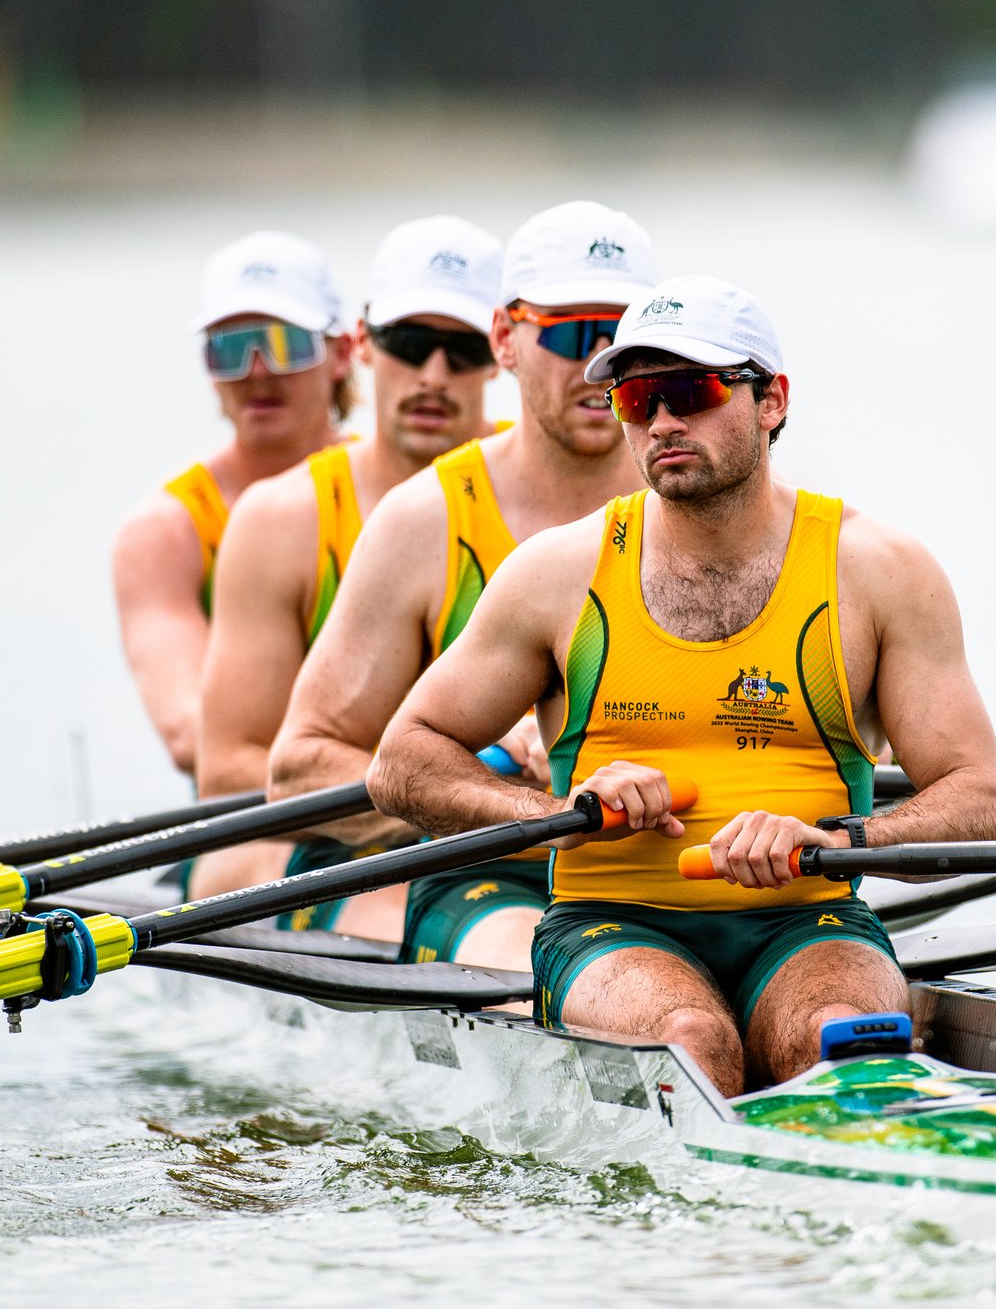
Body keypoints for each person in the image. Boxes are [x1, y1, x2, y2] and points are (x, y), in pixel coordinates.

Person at [365, 275, 996, 1095]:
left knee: (833, 1034)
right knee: (692, 1040)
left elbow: (986, 805)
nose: (663, 422)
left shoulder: (880, 570)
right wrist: (554, 815)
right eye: (637, 399)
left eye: (692, 392)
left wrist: (836, 840)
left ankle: (856, 1119)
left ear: (772, 400)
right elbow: (401, 760)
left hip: (810, 918)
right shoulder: (556, 575)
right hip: (610, 926)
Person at [268, 200, 657, 970]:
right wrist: (483, 776)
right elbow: (297, 768)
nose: (600, 362)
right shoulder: (423, 519)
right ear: (505, 340)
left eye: (623, 336)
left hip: (659, 870)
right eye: (572, 332)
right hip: (479, 875)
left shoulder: (703, 497)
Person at [188, 217, 505, 931]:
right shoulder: (280, 519)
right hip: (330, 841)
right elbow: (228, 769)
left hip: (501, 839)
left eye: (463, 350)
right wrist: (454, 792)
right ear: (362, 343)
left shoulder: (554, 495)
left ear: (502, 351)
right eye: (409, 344)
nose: (433, 376)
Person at [112, 231, 352, 777]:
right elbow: (190, 735)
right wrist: (398, 782)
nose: (256, 370)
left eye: (285, 344)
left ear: (341, 355)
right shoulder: (164, 530)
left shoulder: (407, 491)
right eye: (229, 349)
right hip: (265, 810)